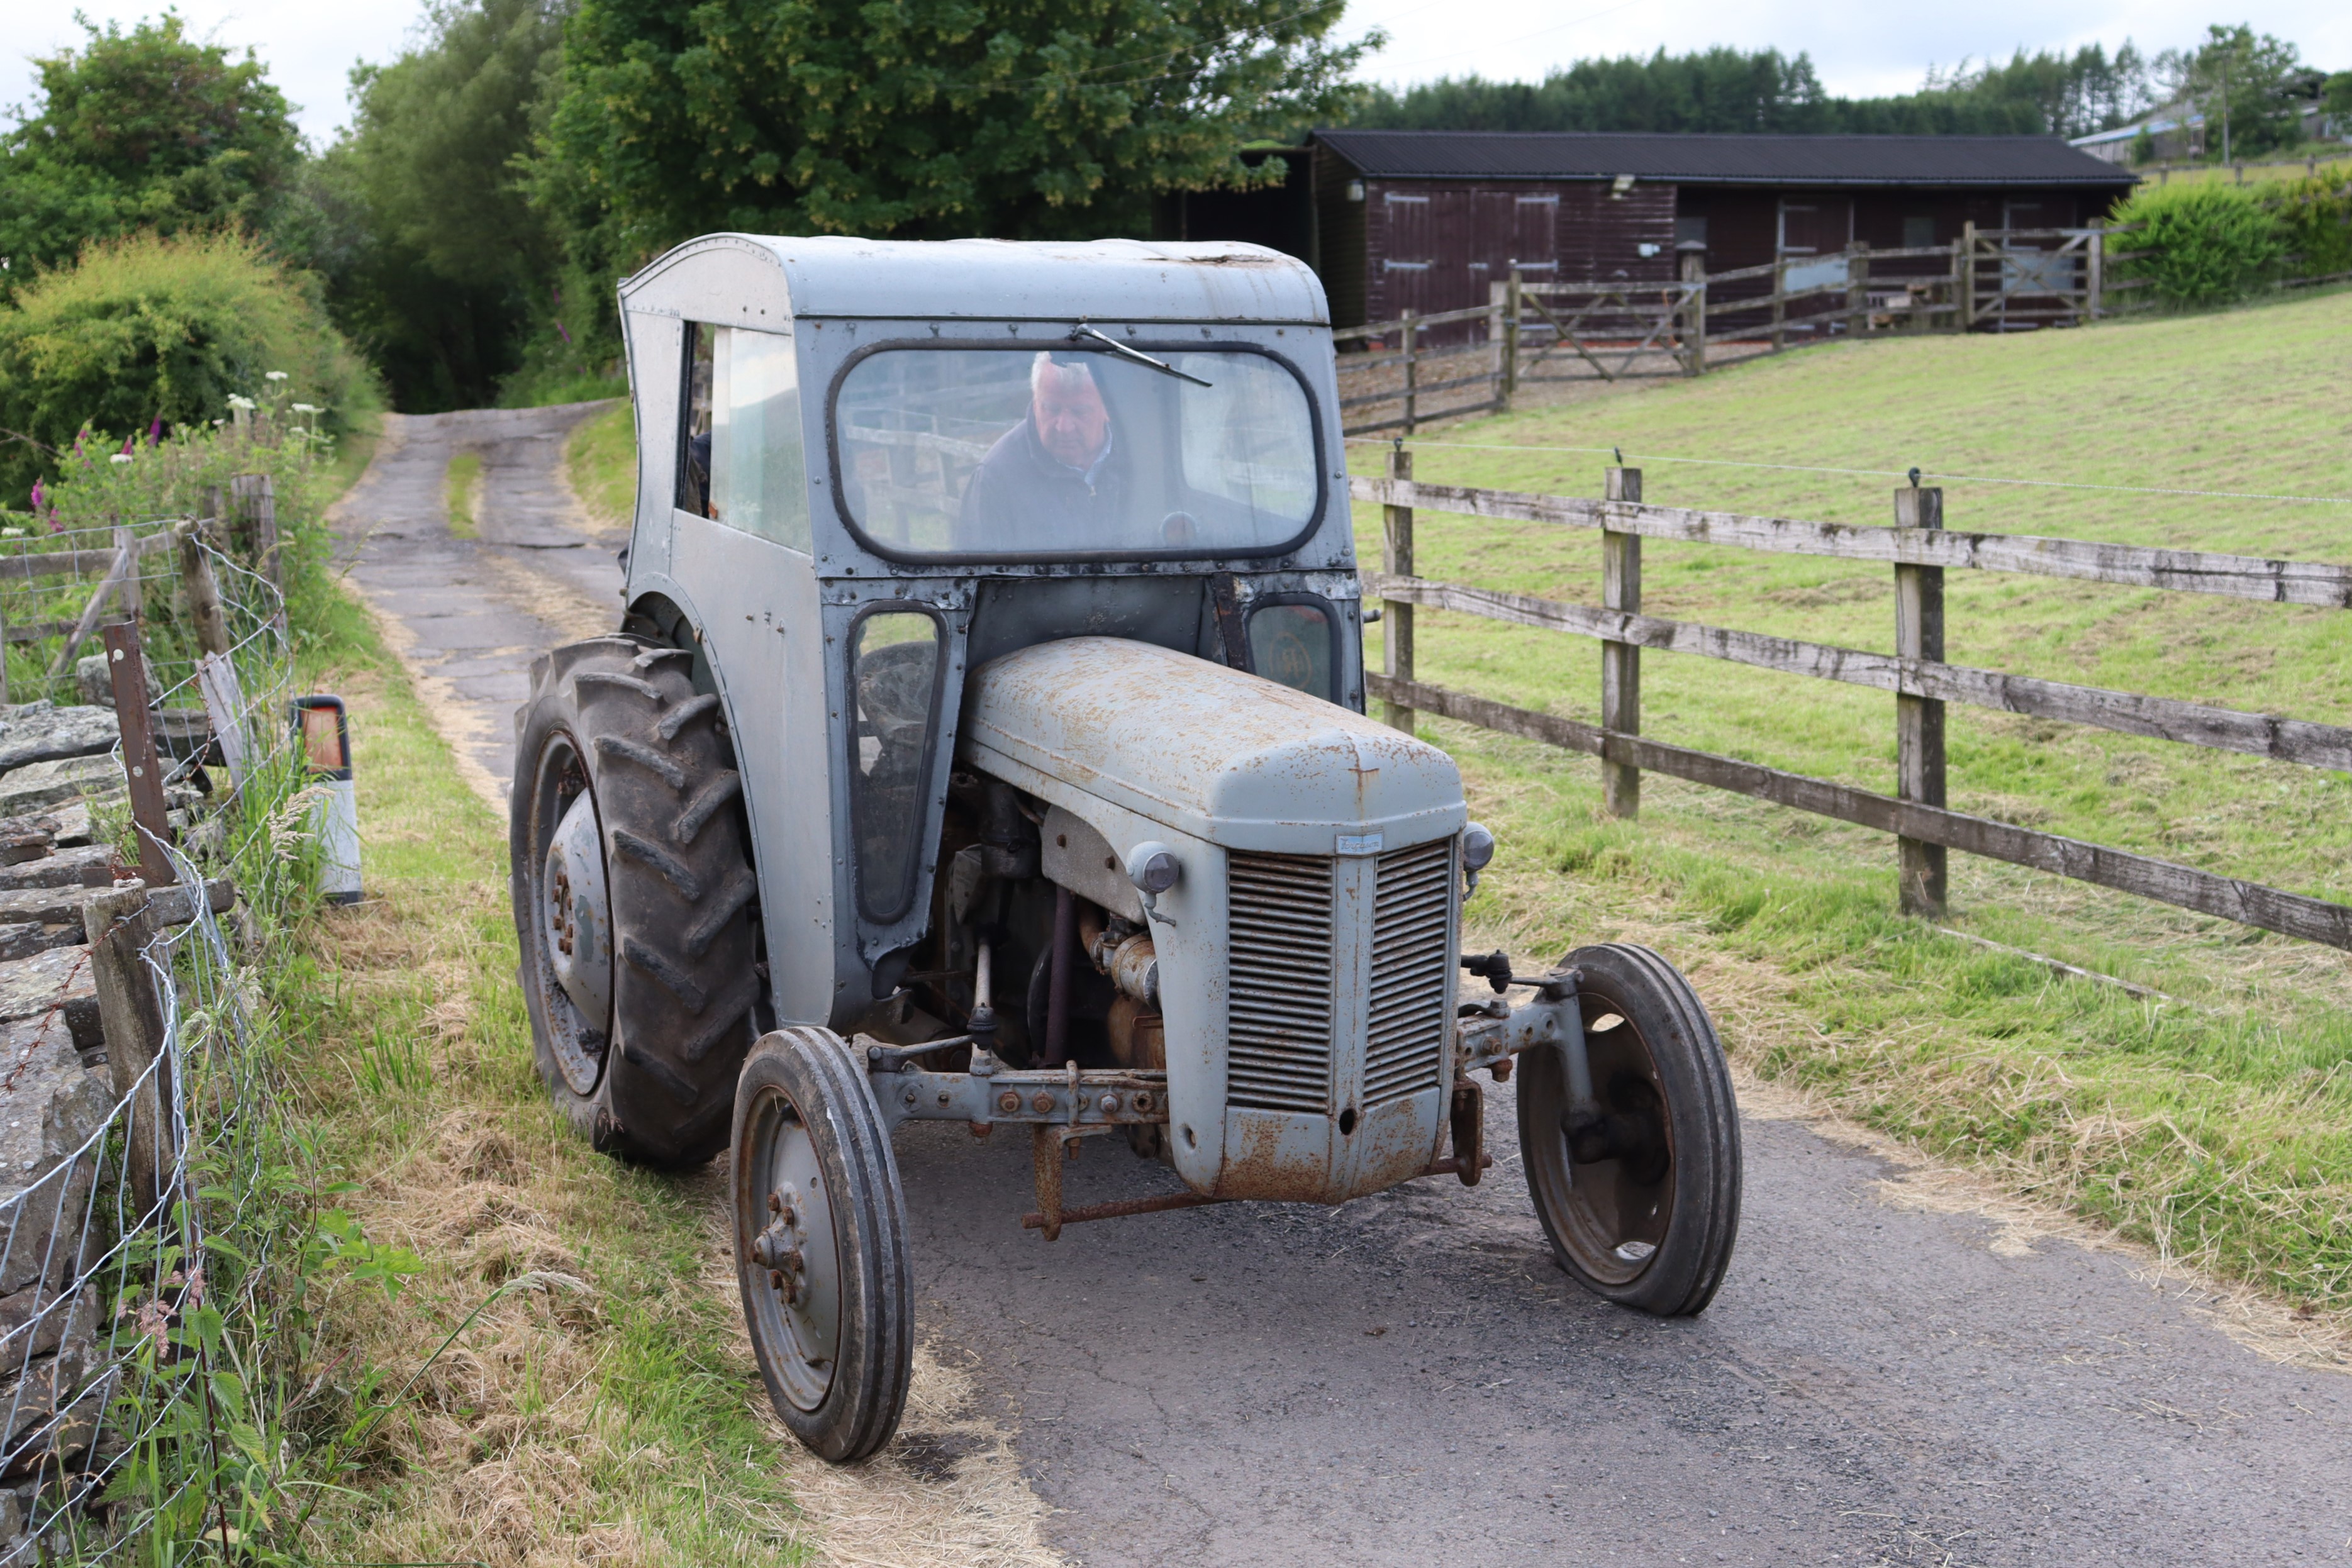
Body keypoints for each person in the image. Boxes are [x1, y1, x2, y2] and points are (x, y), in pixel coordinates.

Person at [959, 353, 1130, 547]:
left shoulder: (1143, 456)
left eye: (1080, 412)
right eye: (1051, 409)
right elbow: (979, 572)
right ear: (1034, 401)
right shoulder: (996, 477)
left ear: (1109, 407)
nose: (1064, 427)